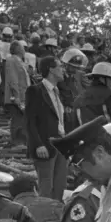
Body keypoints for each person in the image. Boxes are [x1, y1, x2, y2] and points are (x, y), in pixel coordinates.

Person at [24, 56, 70, 200]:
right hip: (45, 144)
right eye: (60, 66)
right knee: (46, 187)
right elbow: (29, 121)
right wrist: (38, 144)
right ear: (51, 69)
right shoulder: (35, 91)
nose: (63, 70)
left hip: (62, 143)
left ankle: (57, 212)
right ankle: (43, 213)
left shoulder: (59, 91)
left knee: (60, 186)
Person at [3, 41, 32, 145]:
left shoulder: (19, 61)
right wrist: (16, 96)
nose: (24, 50)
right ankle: (17, 142)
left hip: (22, 95)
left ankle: (22, 141)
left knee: (22, 119)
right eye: (23, 48)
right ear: (18, 49)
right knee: (17, 119)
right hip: (16, 96)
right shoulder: (12, 60)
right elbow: (13, 79)